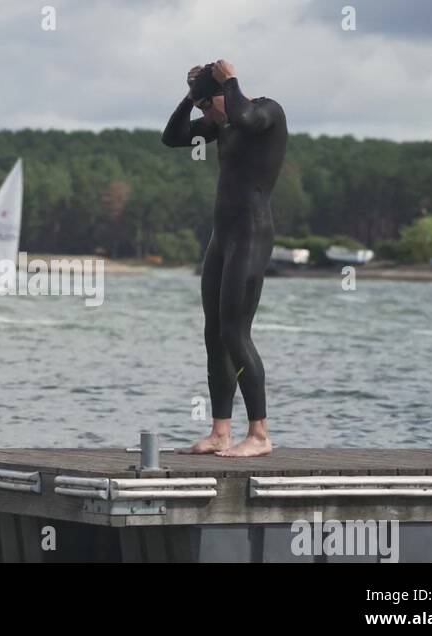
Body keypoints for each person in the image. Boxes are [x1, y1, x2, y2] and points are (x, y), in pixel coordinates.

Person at [162, 60, 287, 457]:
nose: (207, 116)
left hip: (252, 235)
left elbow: (244, 116)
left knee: (236, 332)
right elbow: (173, 137)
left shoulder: (266, 113)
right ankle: (220, 432)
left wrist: (229, 79)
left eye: (208, 106)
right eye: (202, 110)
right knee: (214, 334)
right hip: (222, 238)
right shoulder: (222, 123)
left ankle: (260, 435)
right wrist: (191, 96)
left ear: (226, 93)